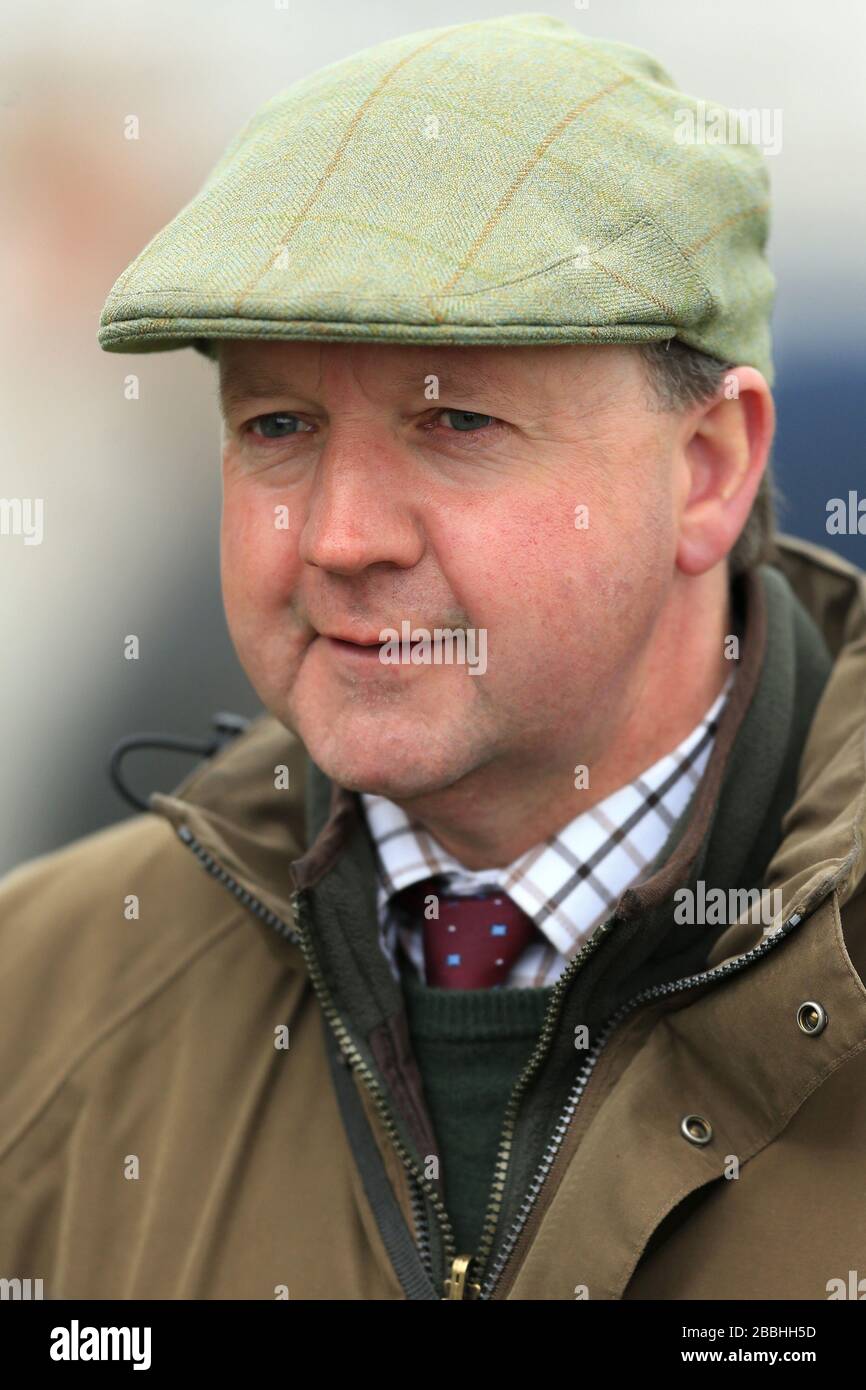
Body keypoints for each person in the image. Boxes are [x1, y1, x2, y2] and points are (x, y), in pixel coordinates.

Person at [2, 13, 865, 1302]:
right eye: (278, 423)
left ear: (708, 472)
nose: (341, 539)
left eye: (456, 420)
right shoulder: (41, 1003)